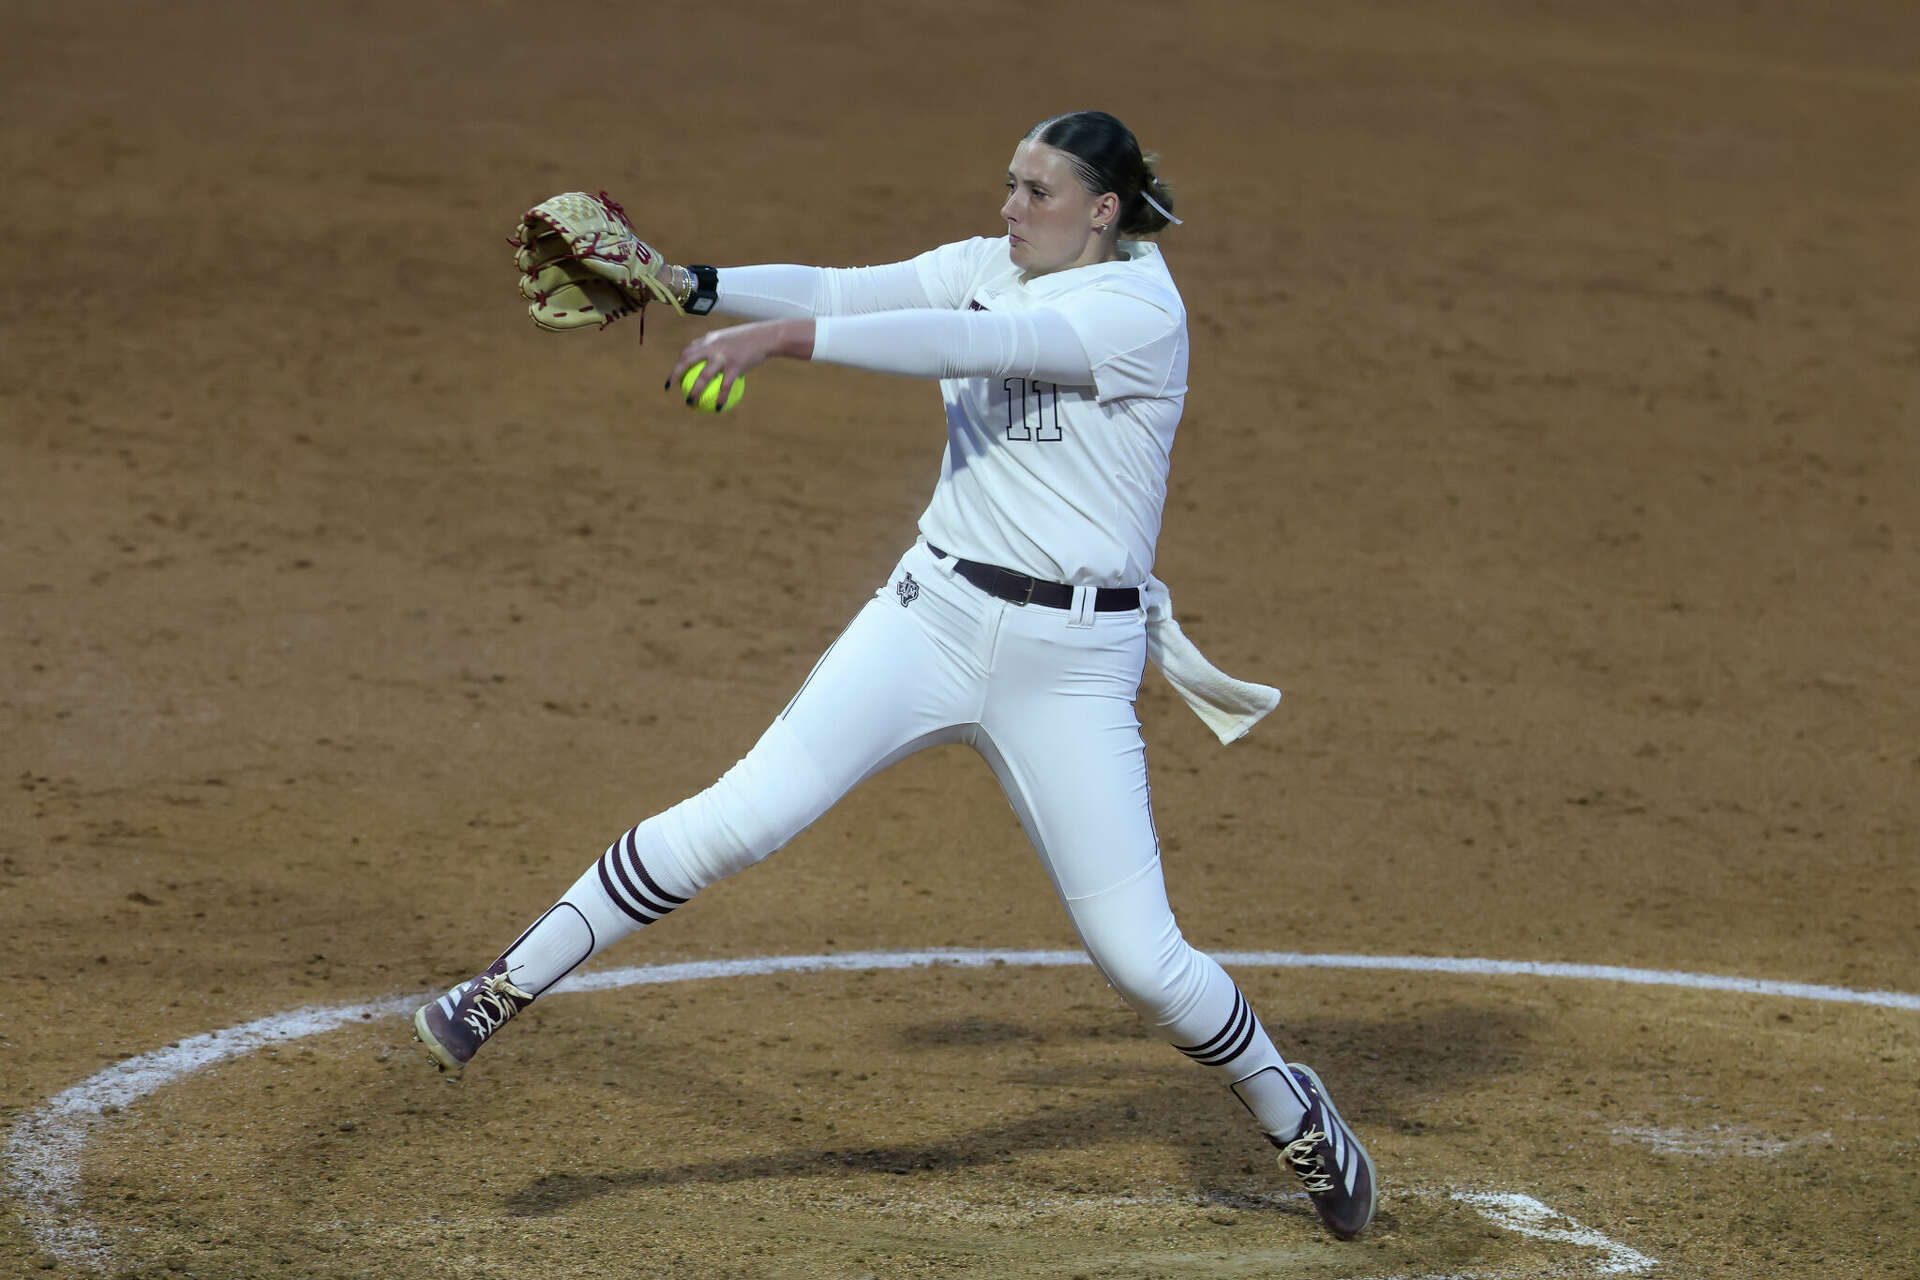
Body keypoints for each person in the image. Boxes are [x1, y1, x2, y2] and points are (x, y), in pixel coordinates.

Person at [415, 110, 1377, 1241]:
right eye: (1010, 186)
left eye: (1037, 193)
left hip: (1072, 667)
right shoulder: (988, 266)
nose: (1009, 209)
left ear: (1103, 211)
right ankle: (498, 988)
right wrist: (690, 282)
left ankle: (1292, 1104)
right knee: (745, 812)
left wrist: (778, 346)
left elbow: (965, 348)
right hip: (931, 614)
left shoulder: (1135, 312)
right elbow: (841, 285)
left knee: (1143, 960)